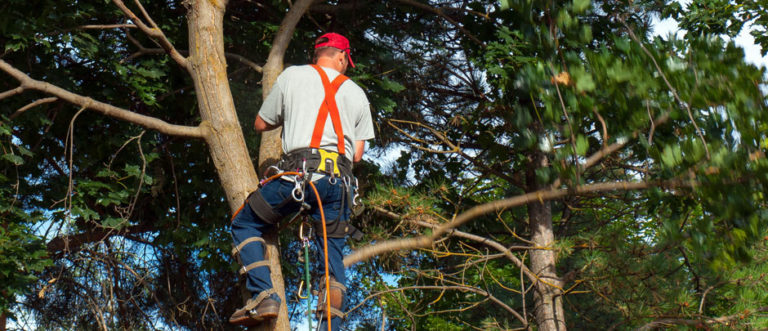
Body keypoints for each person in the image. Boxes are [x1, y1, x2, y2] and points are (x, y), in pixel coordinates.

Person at [229, 32, 374, 331]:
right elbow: (357, 154)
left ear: (317, 54)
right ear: (342, 57)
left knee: (245, 223)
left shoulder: (292, 77)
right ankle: (327, 325)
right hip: (338, 185)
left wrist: (295, 114)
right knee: (331, 258)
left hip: (299, 176)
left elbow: (260, 123)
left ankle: (264, 297)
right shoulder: (358, 93)